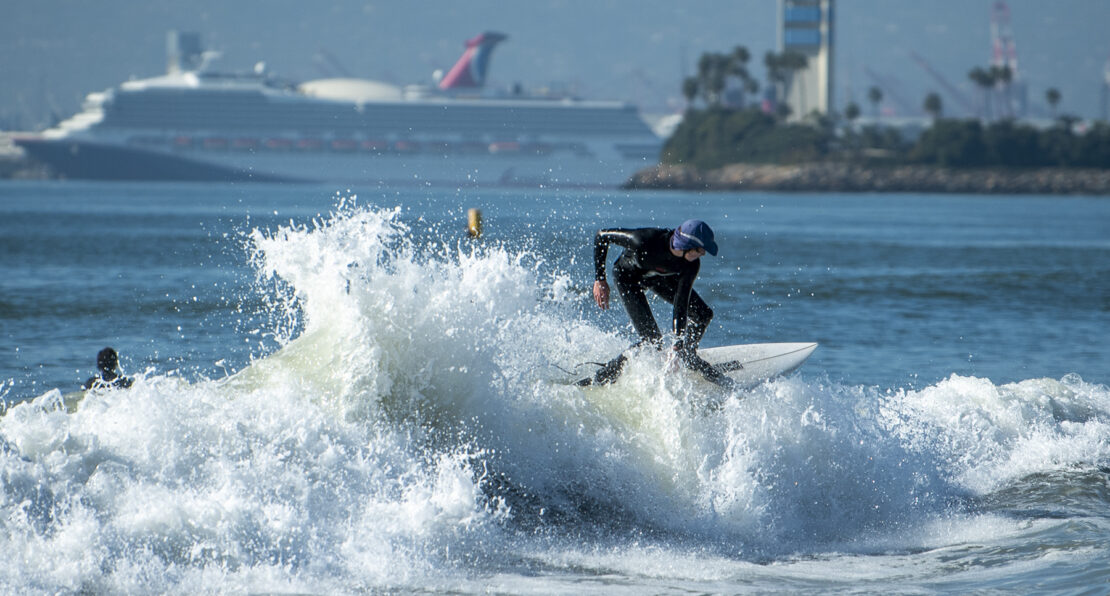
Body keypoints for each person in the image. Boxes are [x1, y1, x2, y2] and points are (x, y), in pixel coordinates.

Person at [580, 219, 733, 388]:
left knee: (703, 315)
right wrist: (600, 279)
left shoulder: (691, 265)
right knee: (652, 341)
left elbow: (680, 303)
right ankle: (602, 377)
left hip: (657, 278)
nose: (703, 254)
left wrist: (677, 346)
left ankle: (687, 357)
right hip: (628, 279)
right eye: (700, 250)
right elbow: (601, 236)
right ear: (686, 245)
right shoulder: (644, 240)